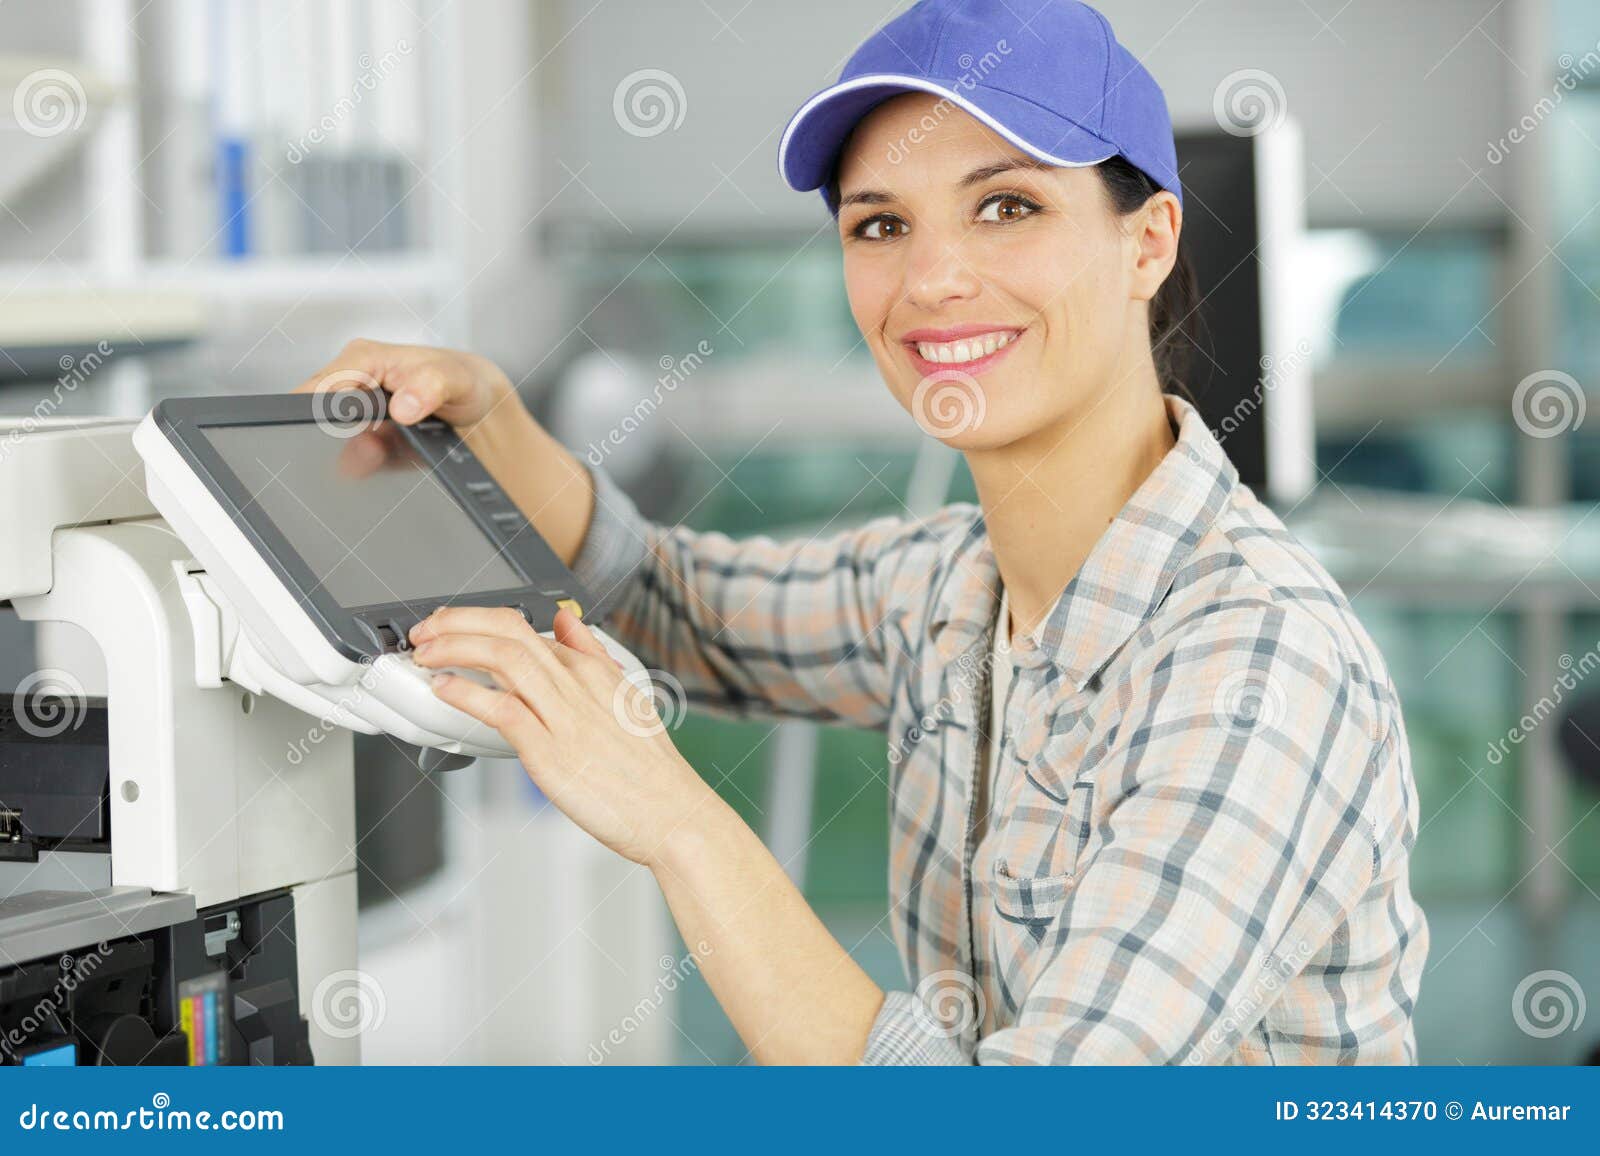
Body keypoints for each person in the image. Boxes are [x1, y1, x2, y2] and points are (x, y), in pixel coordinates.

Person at [300, 0, 1427, 1064]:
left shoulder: (1257, 669)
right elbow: (660, 592)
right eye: (880, 225)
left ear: (1148, 243)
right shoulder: (947, 581)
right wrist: (493, 422)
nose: (932, 278)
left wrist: (679, 821)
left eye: (1007, 206)